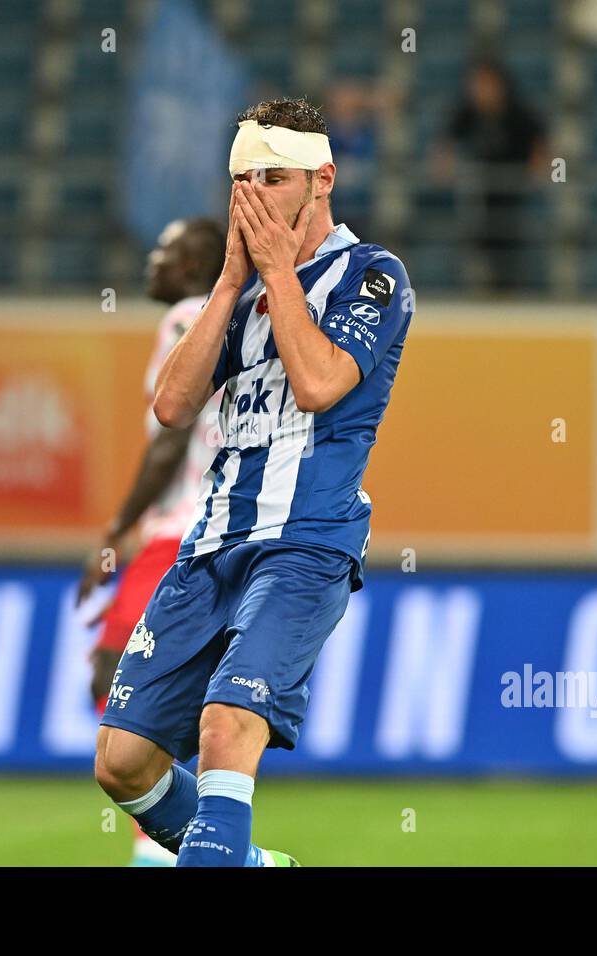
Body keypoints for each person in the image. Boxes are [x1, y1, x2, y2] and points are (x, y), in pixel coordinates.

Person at [93, 96, 414, 866]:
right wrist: (235, 277)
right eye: (243, 177)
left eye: (274, 176)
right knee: (121, 760)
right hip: (211, 545)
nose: (253, 194)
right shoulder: (240, 295)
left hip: (304, 545)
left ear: (322, 179)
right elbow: (171, 406)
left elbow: (318, 382)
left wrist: (277, 274)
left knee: (225, 726)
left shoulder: (373, 275)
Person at [76, 217, 226, 866]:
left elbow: (170, 438)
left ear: (195, 267)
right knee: (138, 681)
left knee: (115, 673)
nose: (152, 260)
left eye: (166, 251)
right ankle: (185, 837)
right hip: (205, 528)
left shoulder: (190, 317)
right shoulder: (227, 316)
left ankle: (167, 846)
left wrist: (113, 532)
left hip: (183, 531)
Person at [432, 61, 546, 290]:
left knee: (510, 241)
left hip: (513, 192)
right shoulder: (467, 111)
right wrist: (443, 166)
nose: (480, 91)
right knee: (477, 238)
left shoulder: (518, 112)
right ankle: (482, 283)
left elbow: (540, 142)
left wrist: (536, 171)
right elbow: (445, 141)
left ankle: (512, 286)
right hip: (482, 192)